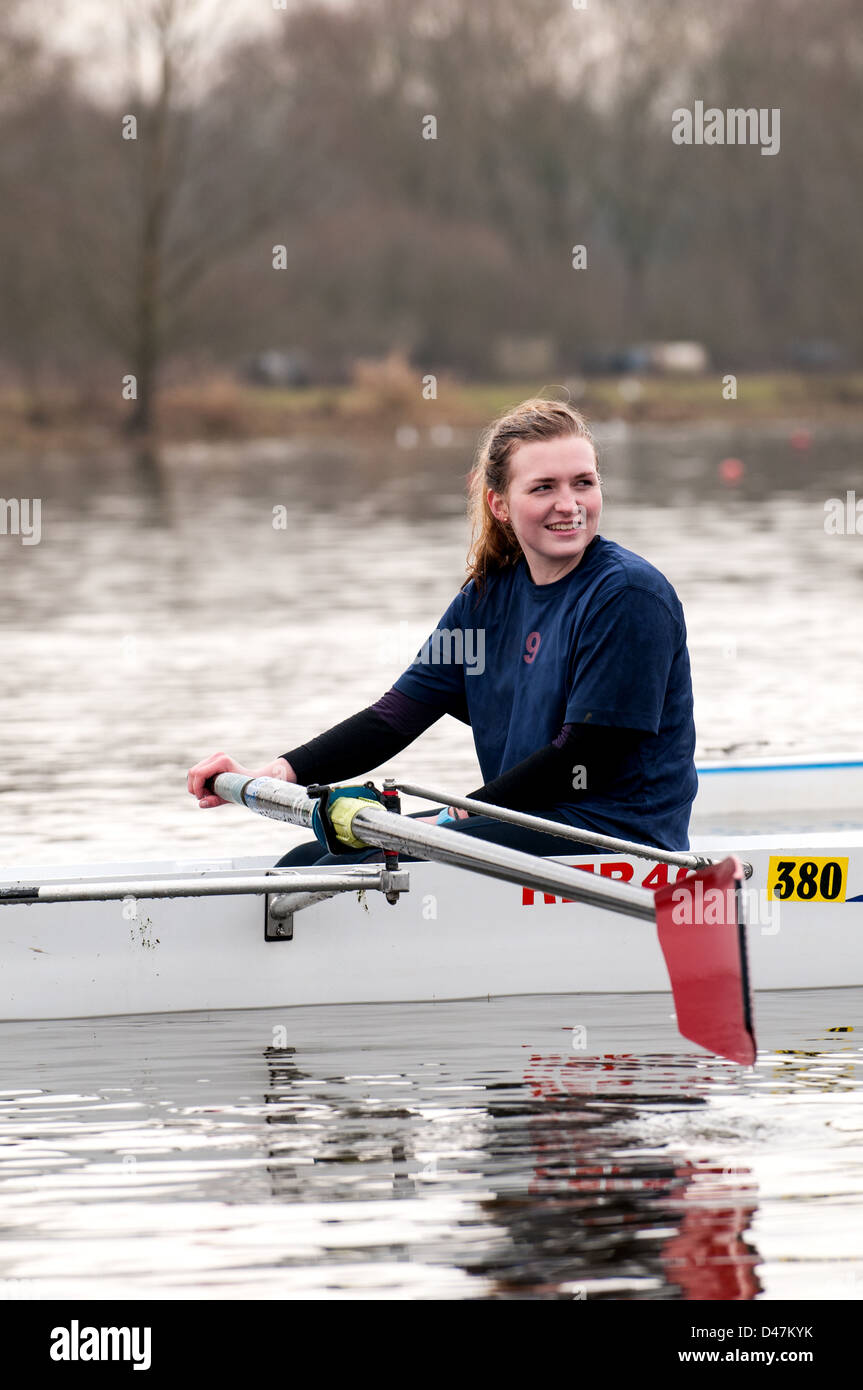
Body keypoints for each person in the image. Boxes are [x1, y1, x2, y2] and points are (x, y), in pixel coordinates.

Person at [187, 398, 697, 864]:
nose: (569, 504)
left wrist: (460, 814)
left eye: (583, 482)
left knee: (369, 862)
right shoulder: (486, 599)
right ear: (500, 504)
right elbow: (395, 718)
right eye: (544, 487)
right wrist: (278, 772)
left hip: (619, 841)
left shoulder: (627, 596)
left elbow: (585, 756)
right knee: (306, 859)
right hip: (528, 823)